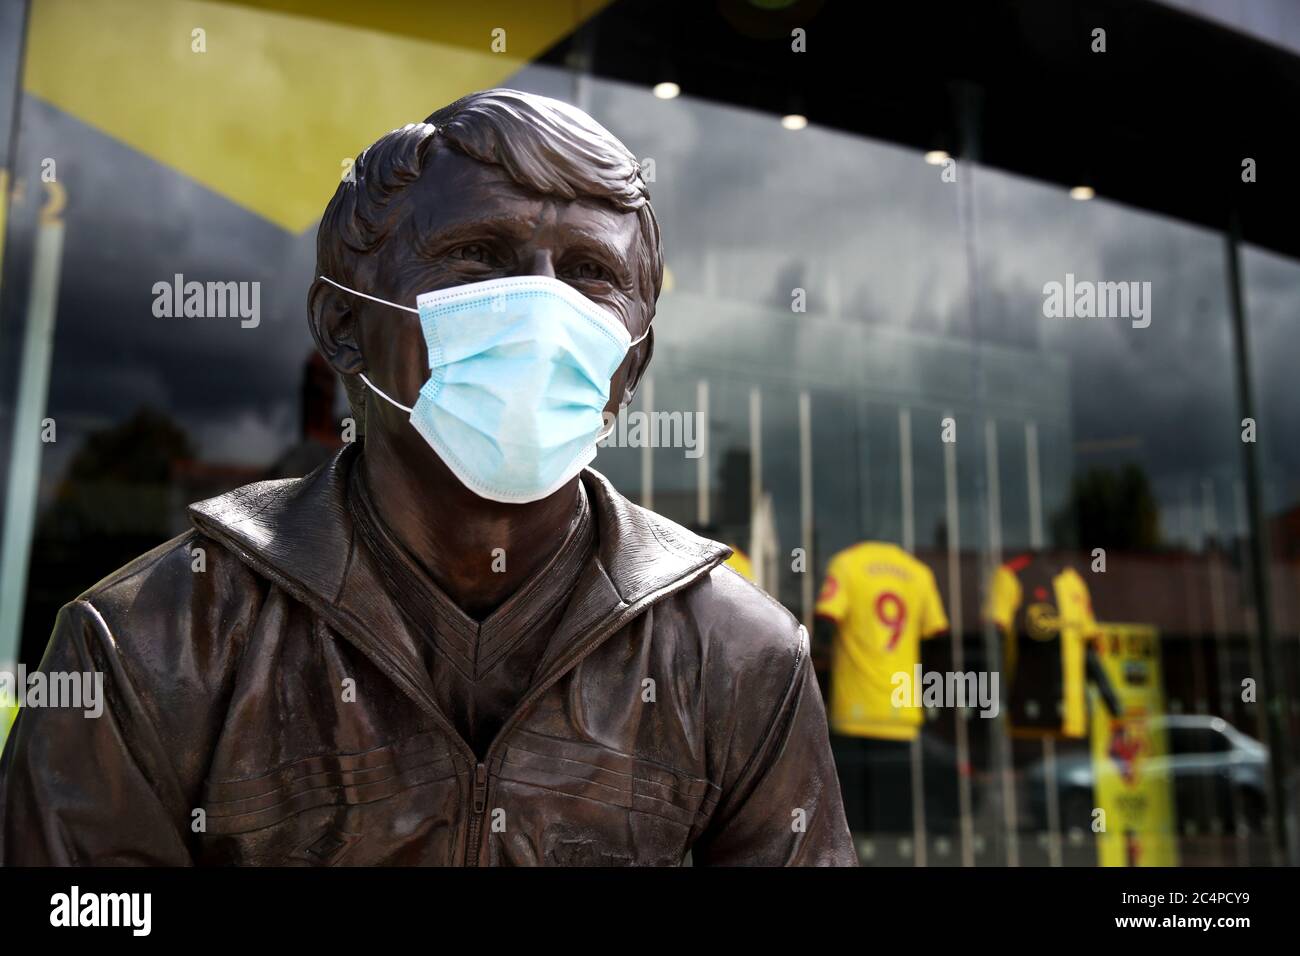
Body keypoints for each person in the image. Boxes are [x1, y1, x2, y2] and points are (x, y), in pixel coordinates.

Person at [0, 89, 854, 866]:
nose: (542, 310)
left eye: (592, 273)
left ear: (635, 360)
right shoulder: (154, 645)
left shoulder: (740, 657)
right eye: (479, 254)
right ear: (343, 324)